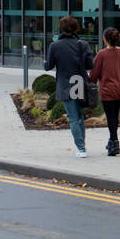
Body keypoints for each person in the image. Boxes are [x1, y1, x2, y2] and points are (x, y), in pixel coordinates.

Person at [44, 15, 95, 157]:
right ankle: (82, 146)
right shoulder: (82, 44)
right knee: (80, 116)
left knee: (73, 117)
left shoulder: (55, 46)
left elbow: (49, 66)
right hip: (79, 81)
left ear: (61, 28)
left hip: (65, 83)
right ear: (76, 28)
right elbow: (90, 65)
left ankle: (81, 148)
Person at [90, 27, 120, 156]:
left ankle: (114, 142)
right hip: (119, 89)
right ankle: (112, 141)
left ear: (105, 39)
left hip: (106, 90)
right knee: (114, 117)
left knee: (111, 117)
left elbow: (94, 74)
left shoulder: (101, 54)